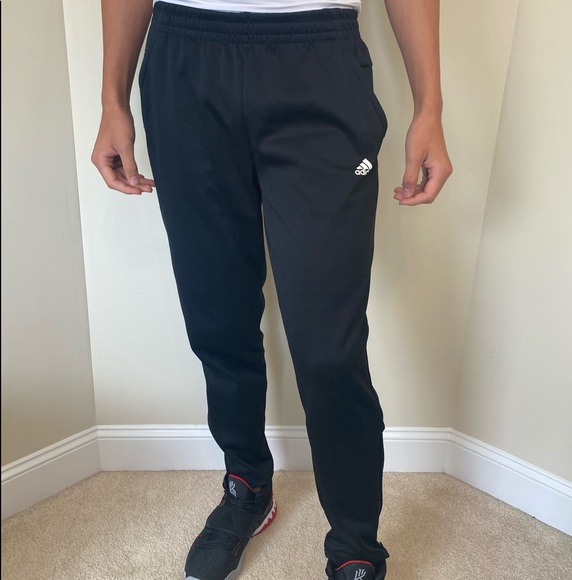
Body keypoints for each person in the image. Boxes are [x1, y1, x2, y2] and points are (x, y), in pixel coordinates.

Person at [92, 0, 452, 578]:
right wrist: (112, 99)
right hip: (186, 59)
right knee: (217, 318)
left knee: (328, 347)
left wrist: (429, 106)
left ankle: (355, 541)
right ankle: (248, 485)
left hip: (321, 57)